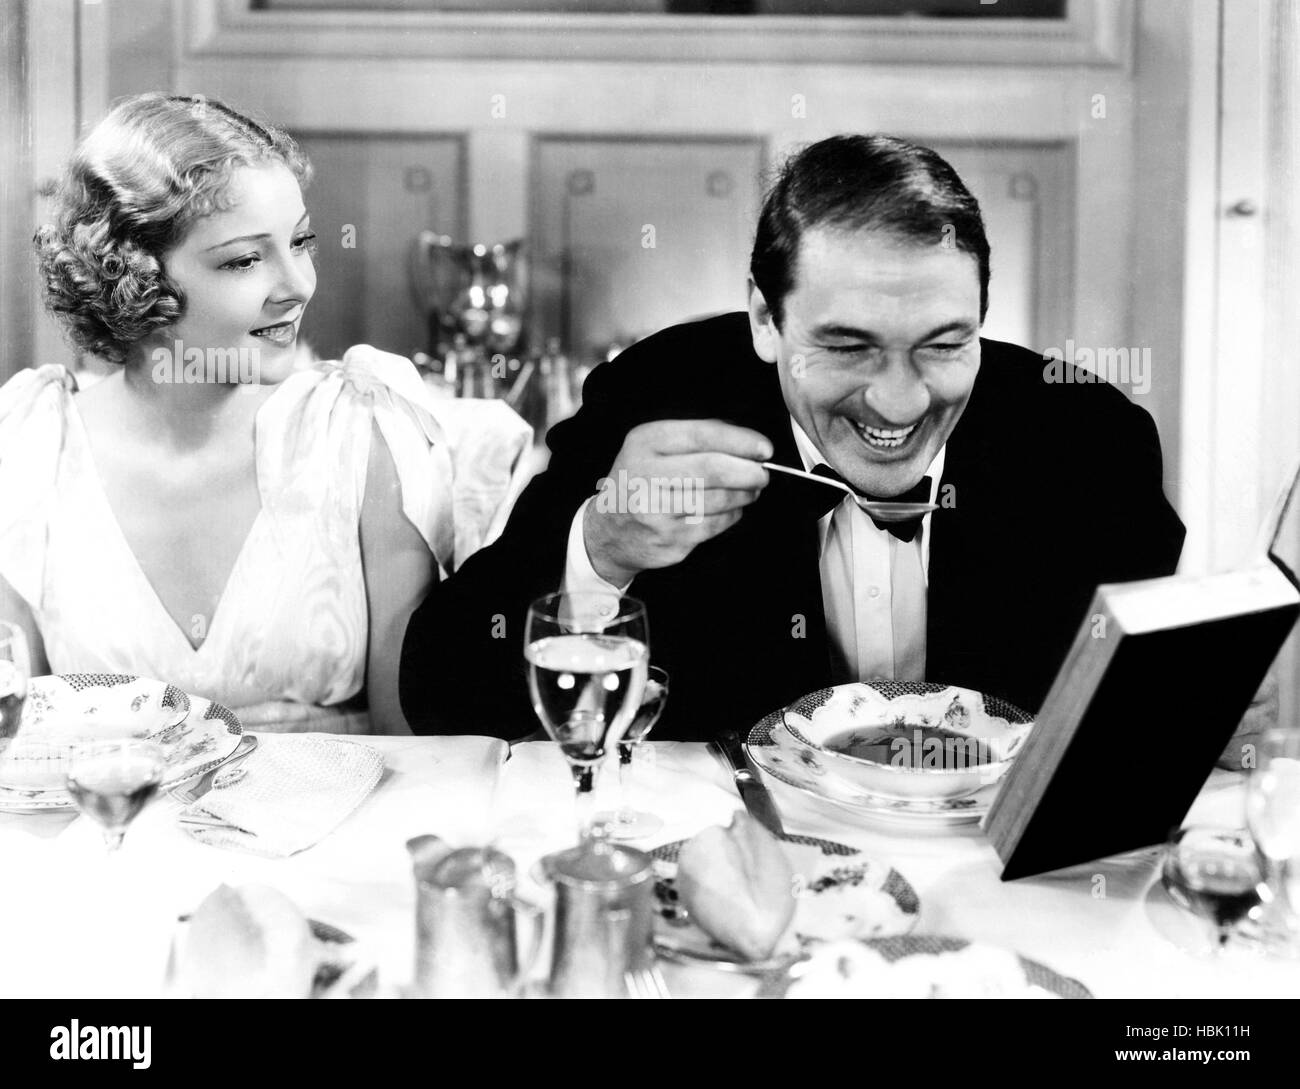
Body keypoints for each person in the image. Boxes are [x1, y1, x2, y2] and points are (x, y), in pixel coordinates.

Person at [400, 134, 1185, 741]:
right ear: (765, 320)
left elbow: (1138, 723)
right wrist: (601, 549)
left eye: (945, 344)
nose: (900, 399)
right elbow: (441, 690)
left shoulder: (1090, 441)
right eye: (848, 346)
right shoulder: (656, 398)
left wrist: (1188, 714)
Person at [0, 93, 531, 734]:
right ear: (132, 274)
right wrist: (188, 748)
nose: (298, 285)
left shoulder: (364, 435)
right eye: (245, 259)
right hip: (108, 832)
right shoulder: (30, 446)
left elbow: (419, 745)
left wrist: (342, 738)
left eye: (300, 242)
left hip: (346, 829)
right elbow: (16, 751)